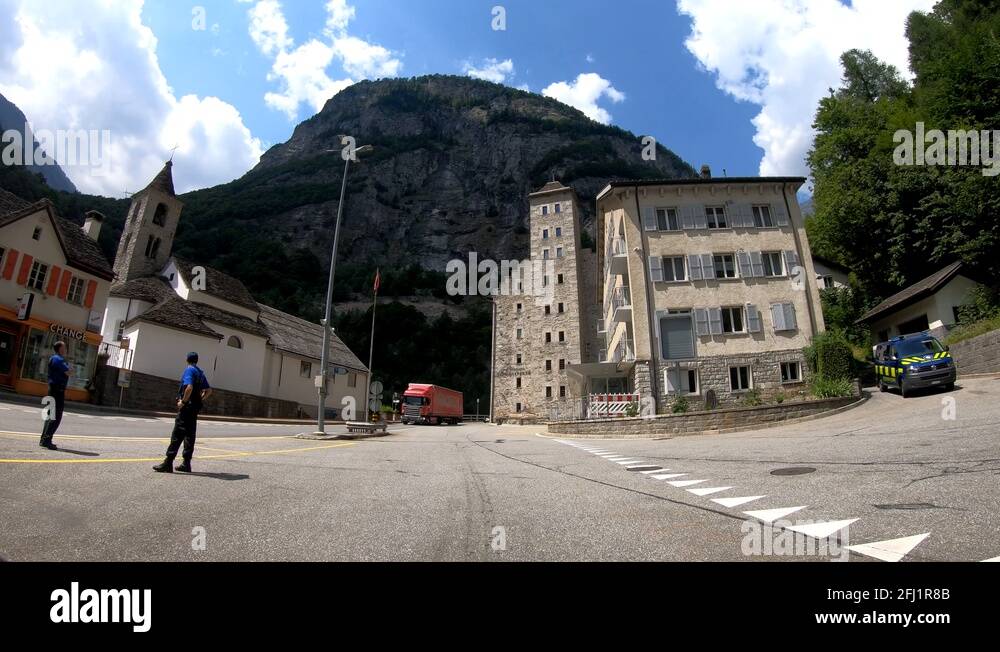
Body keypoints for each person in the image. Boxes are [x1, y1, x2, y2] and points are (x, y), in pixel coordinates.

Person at [153, 352, 212, 474]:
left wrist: (183, 402)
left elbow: (189, 387)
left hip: (187, 407)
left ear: (187, 359)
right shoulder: (200, 373)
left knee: (177, 434)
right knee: (190, 435)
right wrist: (200, 399)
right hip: (195, 407)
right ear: (197, 360)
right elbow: (209, 390)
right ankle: (186, 463)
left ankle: (168, 462)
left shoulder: (189, 370)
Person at [40, 341, 72, 450]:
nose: (66, 349)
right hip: (57, 391)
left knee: (50, 415)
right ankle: (47, 440)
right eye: (65, 347)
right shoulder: (58, 359)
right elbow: (69, 372)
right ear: (60, 349)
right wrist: (69, 369)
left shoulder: (54, 358)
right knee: (56, 416)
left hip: (53, 389)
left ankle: (44, 440)